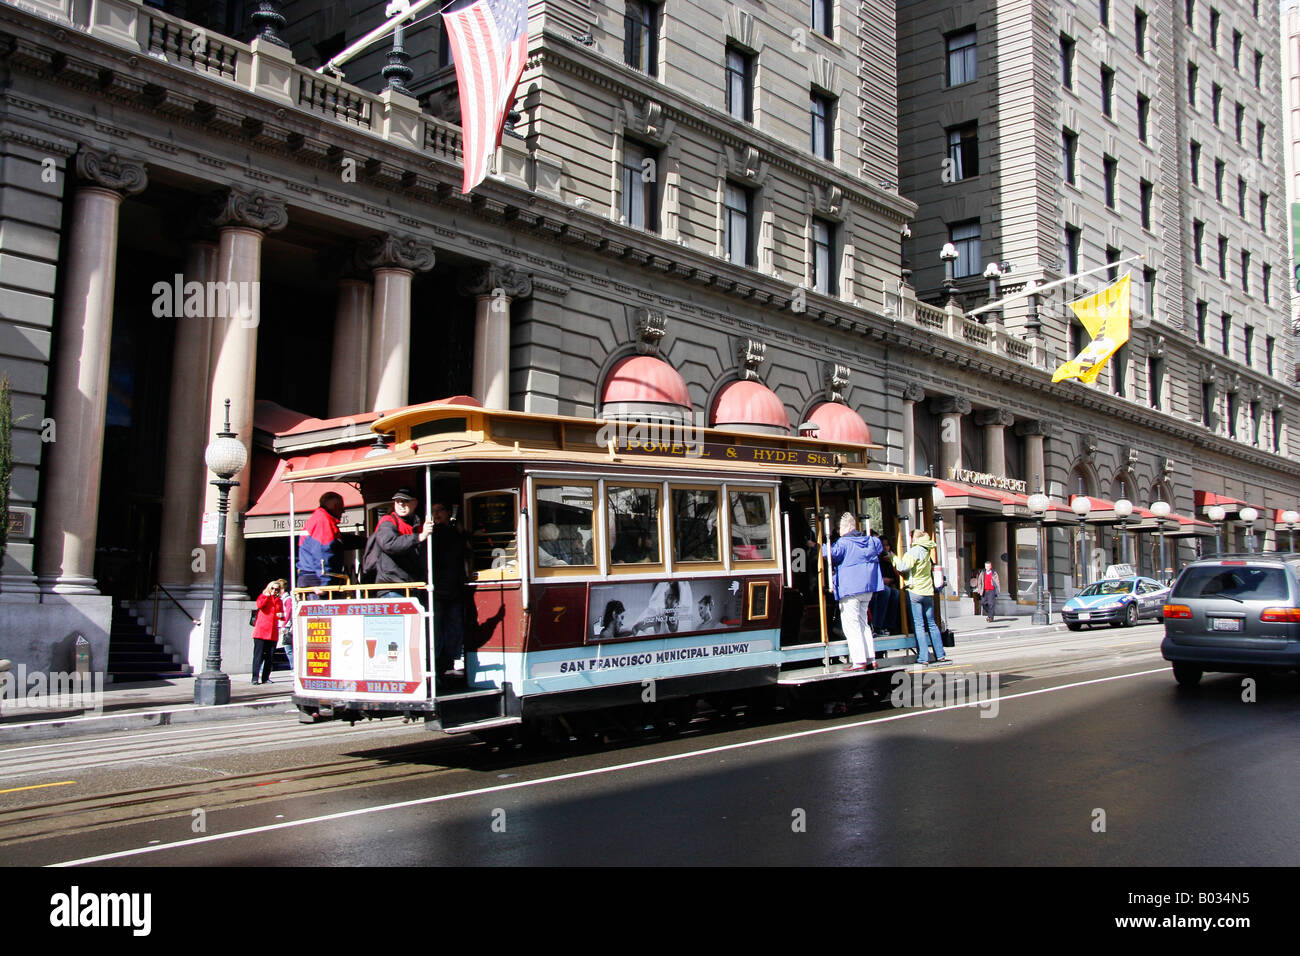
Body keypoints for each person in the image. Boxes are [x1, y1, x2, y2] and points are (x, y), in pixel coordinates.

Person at [826, 512, 885, 672]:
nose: (838, 532)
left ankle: (859, 661)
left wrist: (822, 545)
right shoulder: (871, 541)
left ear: (846, 527)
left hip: (850, 589)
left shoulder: (843, 543)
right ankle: (871, 658)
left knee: (851, 626)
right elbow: (879, 547)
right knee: (863, 623)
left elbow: (830, 555)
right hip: (868, 589)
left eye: (839, 528)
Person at [896, 527, 951, 666]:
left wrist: (893, 558)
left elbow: (903, 567)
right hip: (928, 592)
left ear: (913, 538)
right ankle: (940, 654)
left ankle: (923, 658)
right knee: (932, 624)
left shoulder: (914, 551)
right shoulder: (927, 550)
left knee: (919, 625)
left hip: (915, 592)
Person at [428, 499, 467, 678]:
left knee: (455, 629)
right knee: (436, 631)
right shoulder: (432, 534)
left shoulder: (454, 532)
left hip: (453, 589)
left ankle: (448, 663)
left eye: (440, 509)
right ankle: (436, 667)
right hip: (437, 589)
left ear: (448, 512)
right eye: (434, 510)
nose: (437, 514)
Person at [372, 488, 434, 593]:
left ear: (415, 503)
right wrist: (419, 537)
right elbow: (389, 544)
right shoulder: (388, 521)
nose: (401, 504)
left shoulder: (418, 524)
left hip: (412, 585)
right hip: (392, 587)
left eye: (405, 501)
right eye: (398, 501)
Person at [297, 492, 345, 592]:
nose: (343, 511)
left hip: (310, 576)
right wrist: (324, 582)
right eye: (341, 507)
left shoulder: (317, 518)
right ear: (334, 506)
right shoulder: (323, 521)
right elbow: (321, 551)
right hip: (317, 579)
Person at [251, 579, 283, 684]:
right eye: (272, 588)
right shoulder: (263, 596)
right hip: (261, 631)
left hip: (272, 632)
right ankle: (255, 678)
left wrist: (281, 616)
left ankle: (265, 678)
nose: (274, 590)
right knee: (258, 656)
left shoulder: (279, 600)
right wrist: (266, 596)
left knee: (269, 657)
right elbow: (260, 605)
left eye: (276, 589)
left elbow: (281, 613)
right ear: (269, 588)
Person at [277, 579, 294, 671]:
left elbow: (288, 612)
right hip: (279, 625)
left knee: (288, 650)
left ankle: (294, 668)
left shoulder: (287, 599)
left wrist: (284, 625)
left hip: (285, 626)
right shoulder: (281, 599)